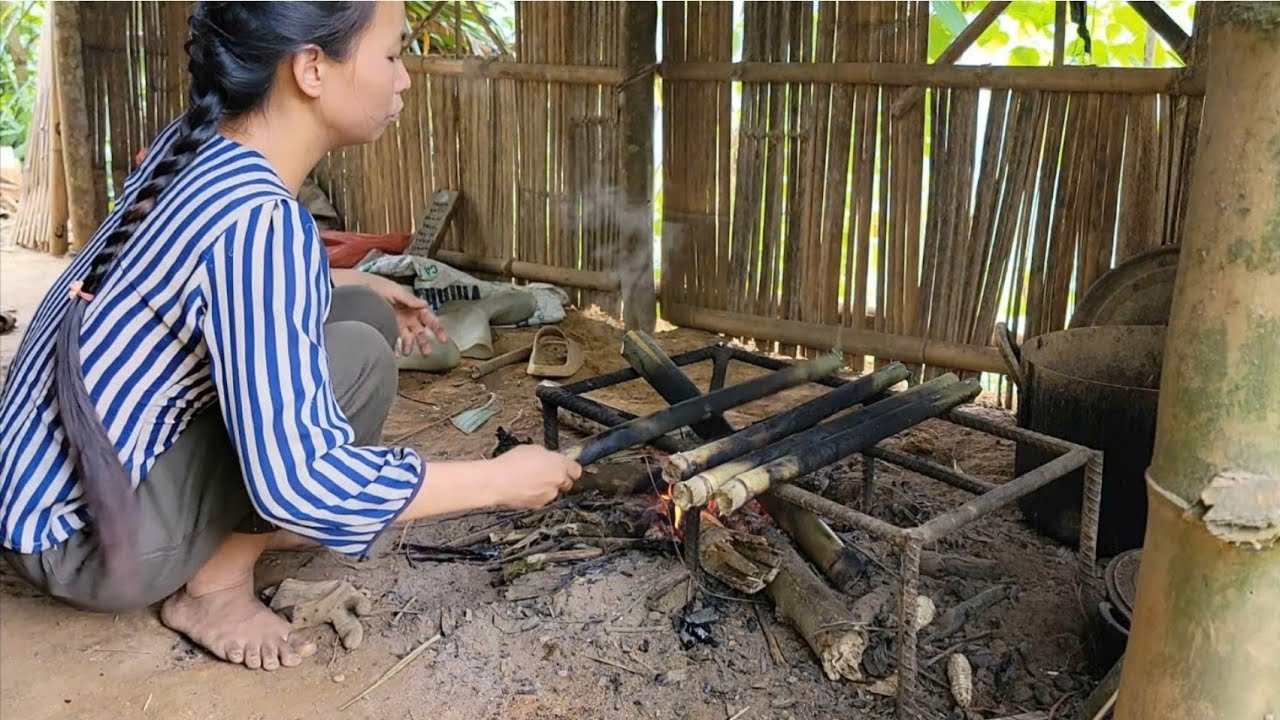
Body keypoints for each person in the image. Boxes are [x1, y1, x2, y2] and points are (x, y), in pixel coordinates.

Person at [0, 1, 580, 672]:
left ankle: (209, 540)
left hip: (37, 488)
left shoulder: (201, 147)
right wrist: (499, 481)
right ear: (311, 68)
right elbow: (301, 481)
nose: (405, 79)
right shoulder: (260, 225)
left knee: (358, 320)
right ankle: (212, 588)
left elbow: (180, 277)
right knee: (358, 359)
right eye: (391, 56)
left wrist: (353, 283)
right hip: (81, 543)